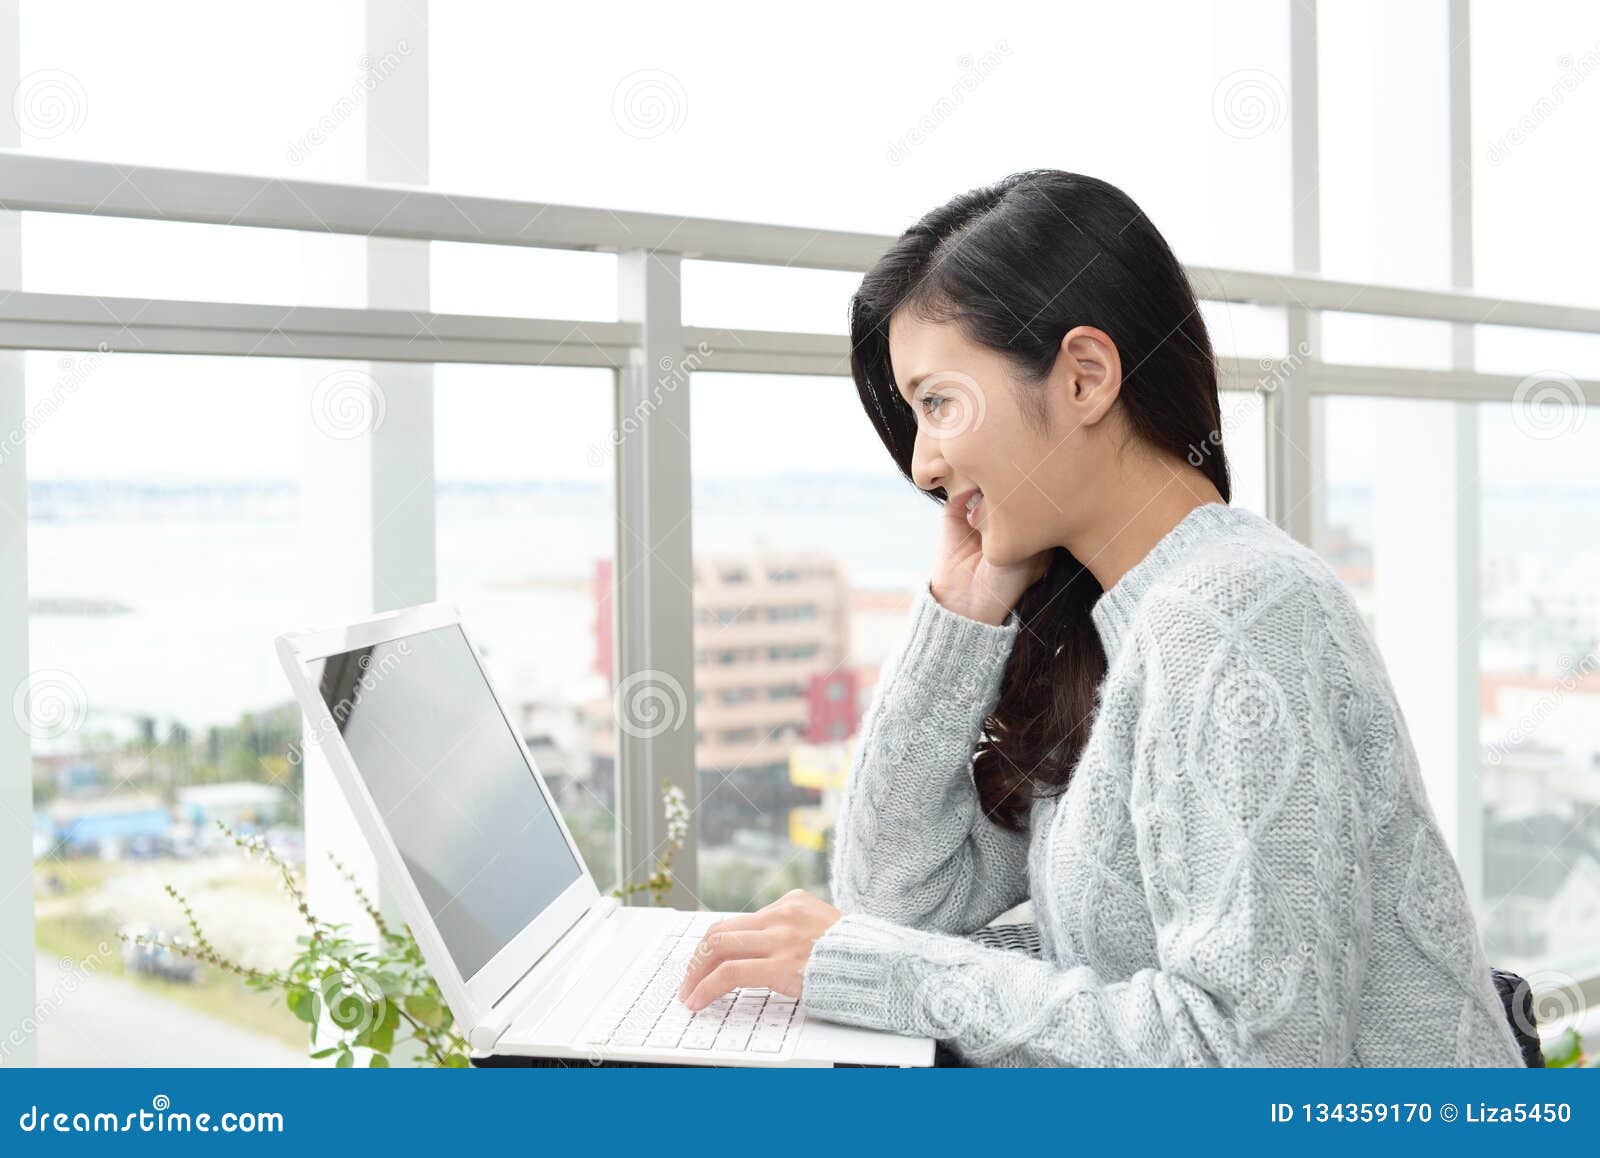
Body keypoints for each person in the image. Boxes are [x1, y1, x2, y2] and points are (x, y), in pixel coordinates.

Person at [676, 170, 1524, 1067]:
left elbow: (1250, 1058)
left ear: (1084, 378)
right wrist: (960, 619)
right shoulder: (1107, 628)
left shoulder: (1235, 614)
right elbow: (893, 901)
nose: (924, 464)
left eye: (938, 403)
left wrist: (882, 971)